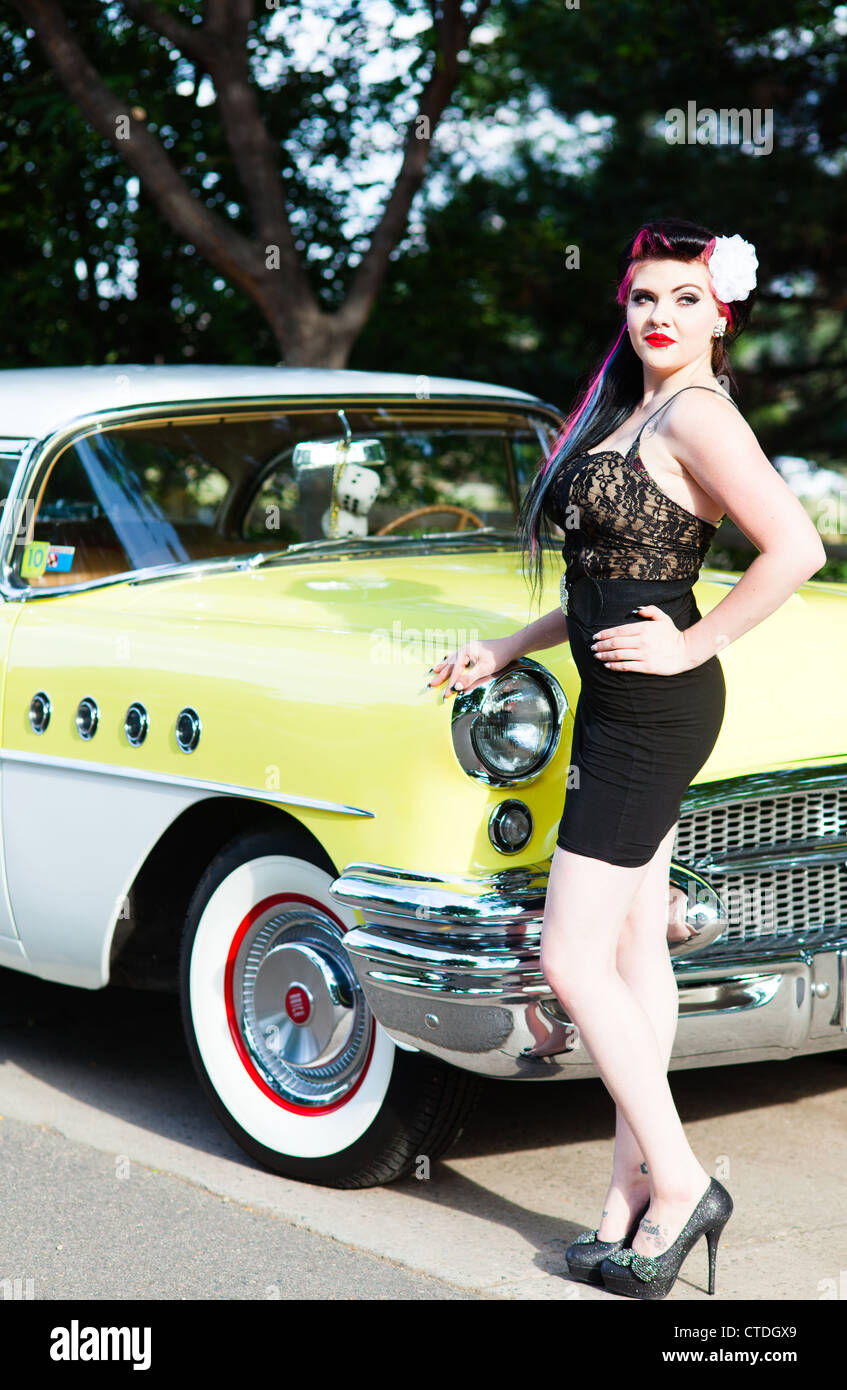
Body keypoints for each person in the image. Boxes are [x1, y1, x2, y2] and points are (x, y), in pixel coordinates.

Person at [425, 218, 826, 1299]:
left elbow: (797, 546)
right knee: (636, 950)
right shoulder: (633, 409)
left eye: (684, 300)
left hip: (657, 710)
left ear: (719, 315)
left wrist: (695, 638)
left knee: (568, 960)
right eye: (645, 297)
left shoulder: (700, 414)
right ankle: (631, 1199)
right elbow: (605, 582)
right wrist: (506, 646)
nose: (660, 315)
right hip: (618, 702)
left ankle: (685, 1180)